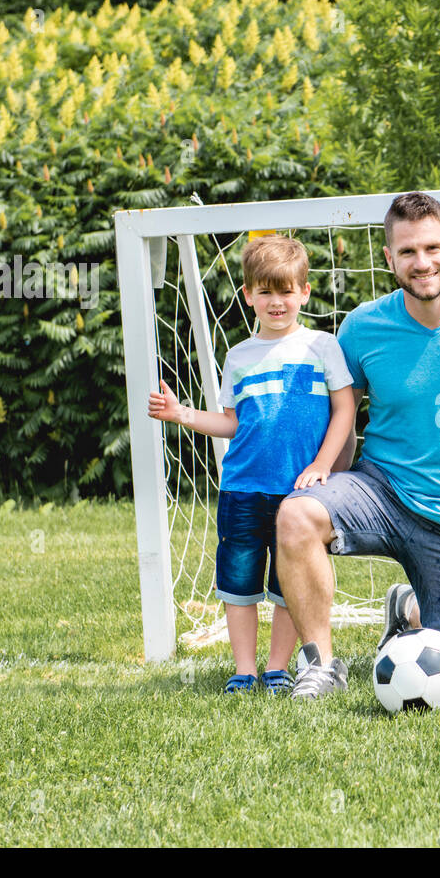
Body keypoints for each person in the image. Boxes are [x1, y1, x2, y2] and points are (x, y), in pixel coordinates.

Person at [275, 192, 440, 699]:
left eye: (431, 249)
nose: (421, 263)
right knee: (296, 516)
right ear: (389, 258)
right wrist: (323, 484)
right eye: (407, 252)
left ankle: (409, 610)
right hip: (379, 489)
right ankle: (321, 665)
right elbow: (343, 411)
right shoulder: (362, 326)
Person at [148, 235, 356, 694]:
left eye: (286, 291)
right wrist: (181, 413)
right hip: (242, 488)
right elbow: (231, 424)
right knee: (239, 584)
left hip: (299, 494)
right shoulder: (238, 356)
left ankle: (277, 668)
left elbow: (344, 409)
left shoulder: (322, 346)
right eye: (265, 291)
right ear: (248, 296)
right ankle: (244, 671)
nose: (276, 301)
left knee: (288, 587)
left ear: (304, 292)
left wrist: (323, 464)